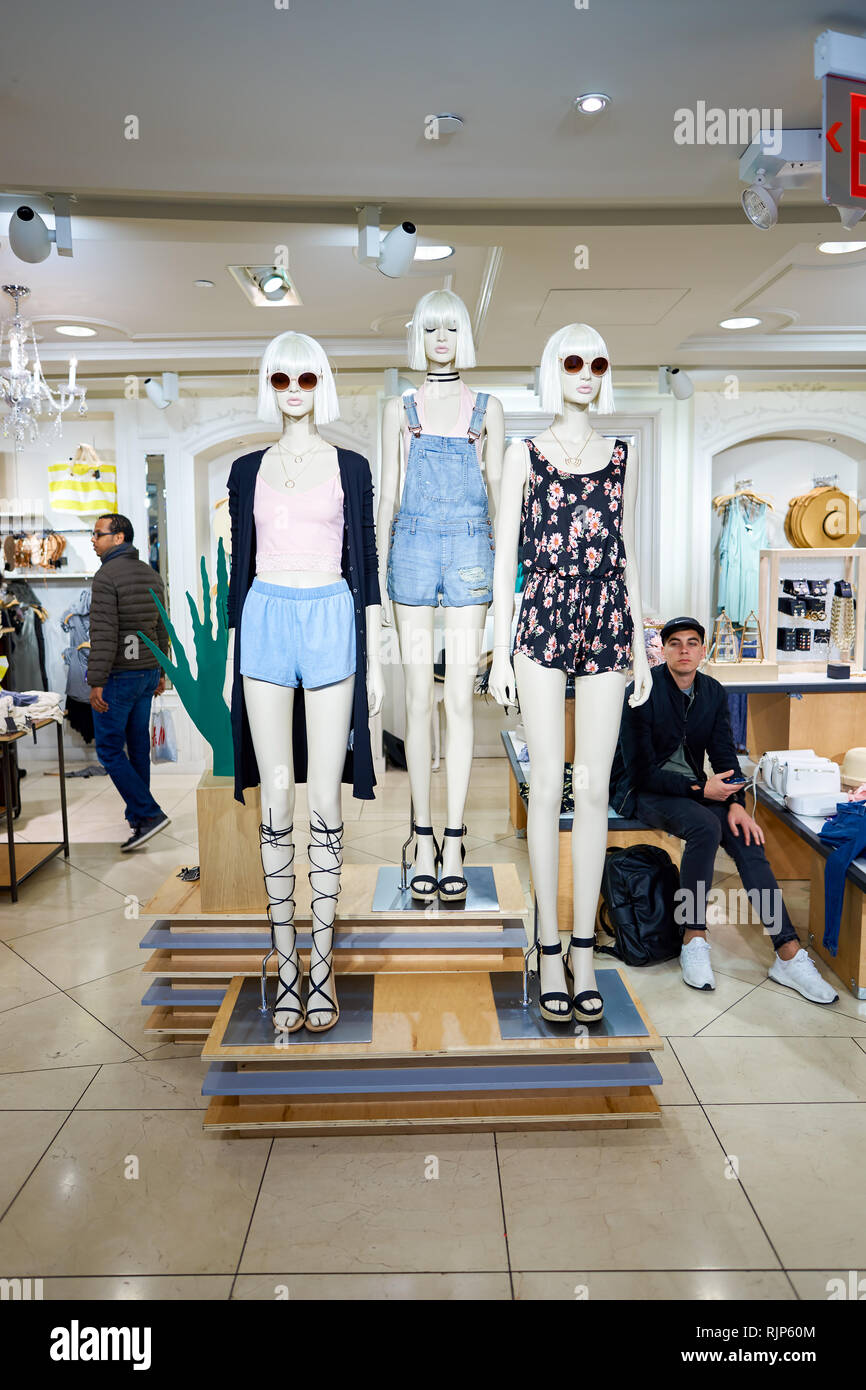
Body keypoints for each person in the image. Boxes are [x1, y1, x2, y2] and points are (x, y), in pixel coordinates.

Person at [609, 616, 838, 1005]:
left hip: (696, 788)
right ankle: (693, 937)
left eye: (692, 643)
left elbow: (722, 755)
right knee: (702, 826)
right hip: (641, 789)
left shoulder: (713, 692)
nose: (684, 650)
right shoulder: (642, 691)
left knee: (744, 836)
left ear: (702, 649)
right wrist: (702, 789)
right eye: (675, 643)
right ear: (663, 651)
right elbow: (642, 771)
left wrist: (733, 803)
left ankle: (788, 952)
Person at [87, 513, 171, 851]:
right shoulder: (151, 573)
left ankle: (148, 814)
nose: (93, 540)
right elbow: (162, 626)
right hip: (147, 672)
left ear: (119, 537)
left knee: (108, 748)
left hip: (119, 676)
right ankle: (140, 820)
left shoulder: (106, 576)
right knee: (136, 746)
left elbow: (104, 635)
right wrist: (162, 670)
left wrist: (96, 680)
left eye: (98, 534)